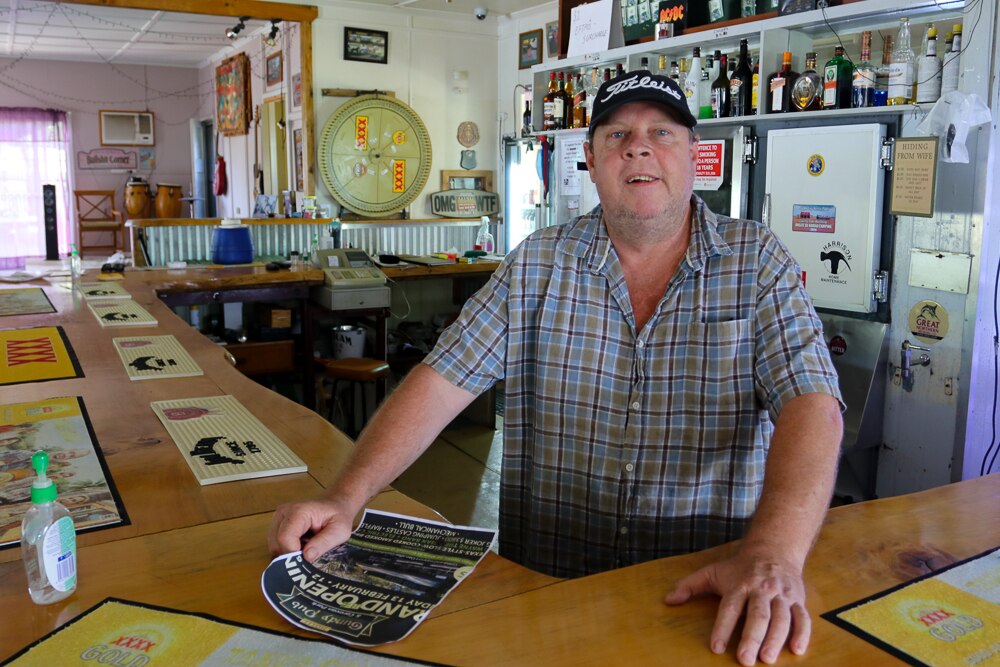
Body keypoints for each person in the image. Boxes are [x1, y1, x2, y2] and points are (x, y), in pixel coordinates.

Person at [269, 69, 843, 666]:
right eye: (616, 134)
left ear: (695, 157)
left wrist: (773, 552)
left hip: (705, 590)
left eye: (661, 133)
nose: (638, 147)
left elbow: (812, 405)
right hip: (546, 589)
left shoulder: (758, 262)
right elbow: (441, 382)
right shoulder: (539, 262)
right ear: (590, 163)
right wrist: (347, 496)